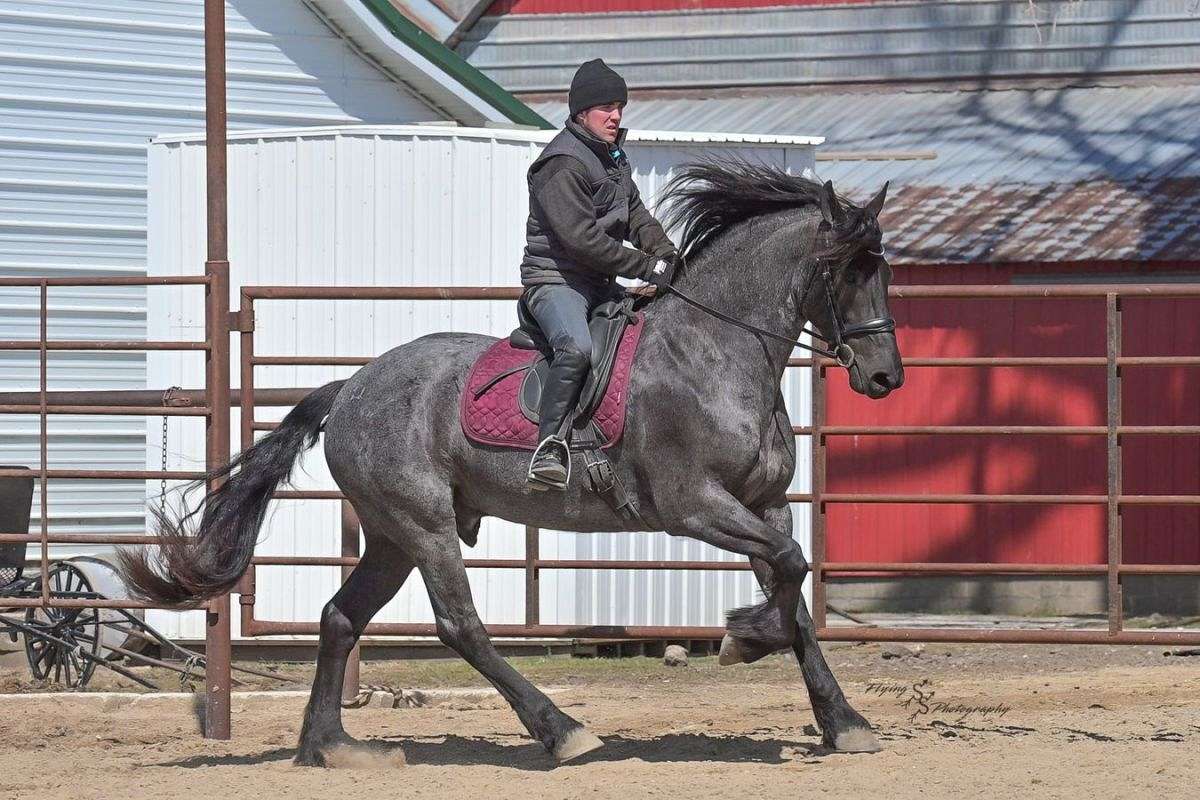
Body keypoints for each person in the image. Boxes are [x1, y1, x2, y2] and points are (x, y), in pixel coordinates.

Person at [520, 58, 681, 491]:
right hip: (556, 282)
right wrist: (646, 266)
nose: (615, 116)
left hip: (599, 284)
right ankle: (549, 447)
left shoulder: (612, 158)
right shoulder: (561, 163)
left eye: (620, 107)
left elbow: (636, 216)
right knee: (576, 348)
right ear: (581, 113)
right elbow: (583, 241)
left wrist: (666, 253)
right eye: (606, 107)